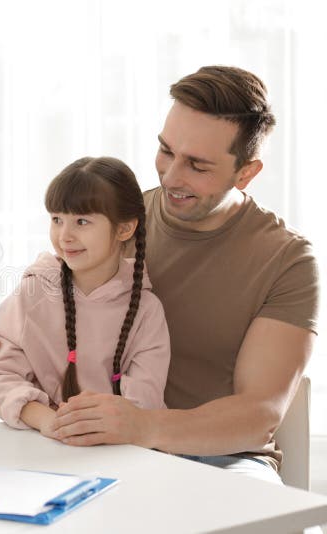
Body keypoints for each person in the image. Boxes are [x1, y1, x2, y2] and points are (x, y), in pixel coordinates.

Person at [52, 66, 319, 482]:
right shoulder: (115, 223)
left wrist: (142, 426)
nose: (171, 176)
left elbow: (258, 414)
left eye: (198, 165)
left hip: (227, 460)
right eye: (166, 150)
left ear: (246, 173)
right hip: (111, 451)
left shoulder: (287, 260)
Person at [0, 156, 170, 438]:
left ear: (124, 229)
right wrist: (46, 420)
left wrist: (83, 426)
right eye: (57, 220)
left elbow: (145, 400)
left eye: (81, 221)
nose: (64, 236)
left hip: (122, 448)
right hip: (45, 444)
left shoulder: (146, 309)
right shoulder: (33, 293)